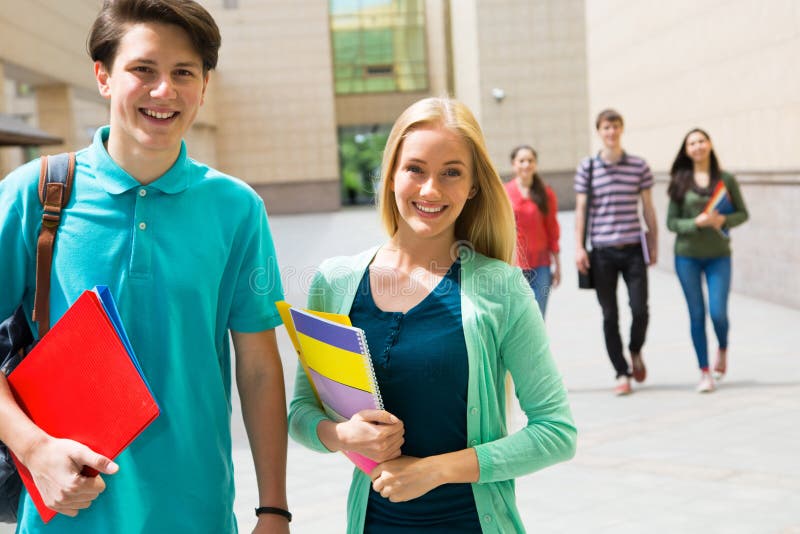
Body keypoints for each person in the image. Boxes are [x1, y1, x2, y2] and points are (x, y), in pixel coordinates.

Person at [0, 1, 289, 532]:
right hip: (66, 511)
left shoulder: (236, 208)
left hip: (197, 507)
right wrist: (35, 450)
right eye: (143, 70)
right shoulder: (33, 195)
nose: (165, 91)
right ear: (104, 77)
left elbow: (258, 364)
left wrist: (274, 507)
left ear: (204, 85)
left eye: (184, 73)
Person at [288, 97, 576, 533]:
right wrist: (342, 436)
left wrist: (436, 470)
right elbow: (301, 413)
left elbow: (556, 432)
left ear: (474, 185)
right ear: (390, 176)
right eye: (416, 169)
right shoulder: (335, 282)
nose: (430, 190)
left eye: (451, 173)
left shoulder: (502, 289)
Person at [574, 109, 658, 396]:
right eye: (606, 127)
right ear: (599, 131)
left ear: (622, 129)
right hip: (602, 252)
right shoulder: (588, 167)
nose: (611, 132)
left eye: (616, 127)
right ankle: (621, 372)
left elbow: (648, 207)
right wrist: (578, 248)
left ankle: (635, 350)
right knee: (609, 315)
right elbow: (582, 209)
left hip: (634, 249)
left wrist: (654, 242)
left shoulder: (639, 166)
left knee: (640, 309)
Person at [666, 128, 748, 393]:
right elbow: (671, 222)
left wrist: (725, 219)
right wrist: (695, 222)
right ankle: (704, 372)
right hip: (687, 257)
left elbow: (743, 214)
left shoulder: (726, 179)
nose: (698, 146)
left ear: (710, 144)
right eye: (692, 143)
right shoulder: (680, 179)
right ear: (686, 149)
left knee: (718, 312)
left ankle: (722, 348)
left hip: (718, 257)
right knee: (697, 314)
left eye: (701, 141)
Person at [504, 145, 561, 317]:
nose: (526, 164)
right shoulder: (504, 193)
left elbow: (552, 229)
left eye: (530, 160)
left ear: (535, 164)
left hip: (541, 265)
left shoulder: (546, 193)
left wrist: (557, 265)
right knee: (518, 317)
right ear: (514, 164)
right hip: (514, 265)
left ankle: (537, 345)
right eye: (522, 161)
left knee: (538, 315)